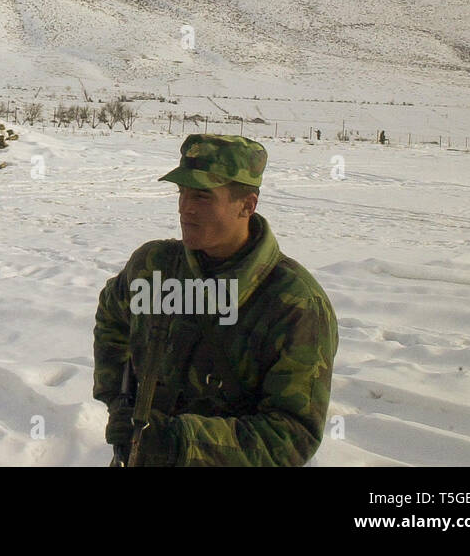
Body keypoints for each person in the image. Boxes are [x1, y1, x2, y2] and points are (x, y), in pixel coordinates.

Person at [93, 134, 338, 466]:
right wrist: (119, 399)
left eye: (202, 196)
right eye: (181, 192)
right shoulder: (154, 267)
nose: (185, 208)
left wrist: (178, 442)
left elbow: (291, 437)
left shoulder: (296, 305)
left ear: (247, 205)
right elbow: (112, 315)